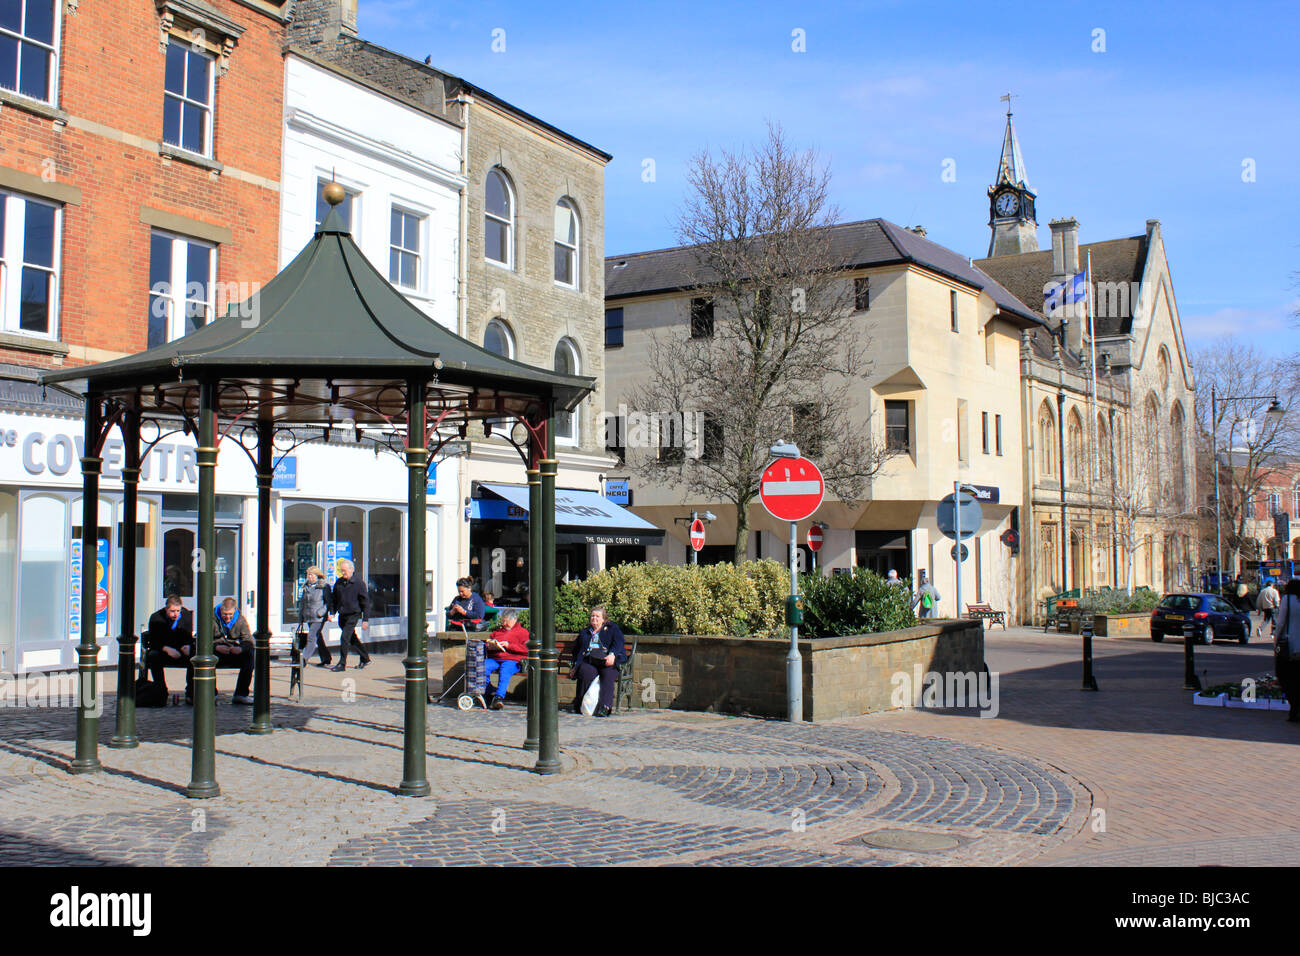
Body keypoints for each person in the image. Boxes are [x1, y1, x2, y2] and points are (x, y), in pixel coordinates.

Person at [568, 606, 625, 718]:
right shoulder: (585, 632)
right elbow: (577, 650)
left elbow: (618, 643)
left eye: (597, 616)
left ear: (603, 619)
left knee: (608, 674)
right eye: (592, 616)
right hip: (590, 661)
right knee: (585, 672)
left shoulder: (612, 628)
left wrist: (612, 654)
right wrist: (575, 665)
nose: (594, 618)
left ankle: (604, 707)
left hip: (607, 661)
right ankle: (581, 704)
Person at [145, 595, 194, 703]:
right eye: (172, 611)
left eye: (178, 611)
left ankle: (191, 692)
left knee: (194, 656)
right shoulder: (156, 618)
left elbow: (188, 636)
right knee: (153, 656)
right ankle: (161, 690)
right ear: (166, 609)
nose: (175, 614)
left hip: (181, 649)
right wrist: (166, 648)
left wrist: (187, 646)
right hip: (164, 650)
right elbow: (154, 641)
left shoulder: (186, 616)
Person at [483, 610, 529, 710]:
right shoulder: (497, 632)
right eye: (503, 621)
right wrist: (490, 646)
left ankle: (499, 697)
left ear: (514, 620)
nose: (504, 624)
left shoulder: (523, 632)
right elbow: (488, 645)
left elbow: (526, 650)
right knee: (482, 667)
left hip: (512, 659)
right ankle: (489, 691)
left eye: (506, 621)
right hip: (495, 658)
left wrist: (509, 646)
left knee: (505, 670)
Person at [330, 558, 371, 671]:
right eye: (341, 571)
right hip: (342, 615)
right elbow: (334, 600)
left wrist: (365, 619)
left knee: (344, 637)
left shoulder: (358, 583)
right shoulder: (339, 583)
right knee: (351, 638)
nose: (343, 573)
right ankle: (365, 658)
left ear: (351, 570)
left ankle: (342, 663)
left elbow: (365, 602)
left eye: (345, 571)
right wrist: (332, 613)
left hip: (354, 614)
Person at [213, 597, 256, 705]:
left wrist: (241, 648)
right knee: (208, 658)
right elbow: (202, 639)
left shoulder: (241, 620)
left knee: (249, 655)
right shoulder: (211, 619)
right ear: (221, 611)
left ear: (235, 611)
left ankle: (241, 694)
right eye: (225, 614)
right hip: (217, 650)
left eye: (230, 614)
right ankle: (211, 693)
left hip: (233, 650)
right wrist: (216, 647)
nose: (227, 617)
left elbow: (248, 640)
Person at [1270, 578, 1300, 723]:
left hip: (1291, 647)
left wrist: (1276, 642)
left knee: (1289, 680)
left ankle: (1294, 709)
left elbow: (1281, 622)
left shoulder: (1288, 600)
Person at [296, 566, 333, 668]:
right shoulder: (306, 587)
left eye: (312, 575)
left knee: (311, 636)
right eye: (308, 575)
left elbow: (328, 602)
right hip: (308, 616)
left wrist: (321, 613)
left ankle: (304, 659)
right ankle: (326, 658)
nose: (309, 577)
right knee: (318, 637)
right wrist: (301, 618)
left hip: (318, 617)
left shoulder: (324, 586)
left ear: (317, 576)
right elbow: (302, 603)